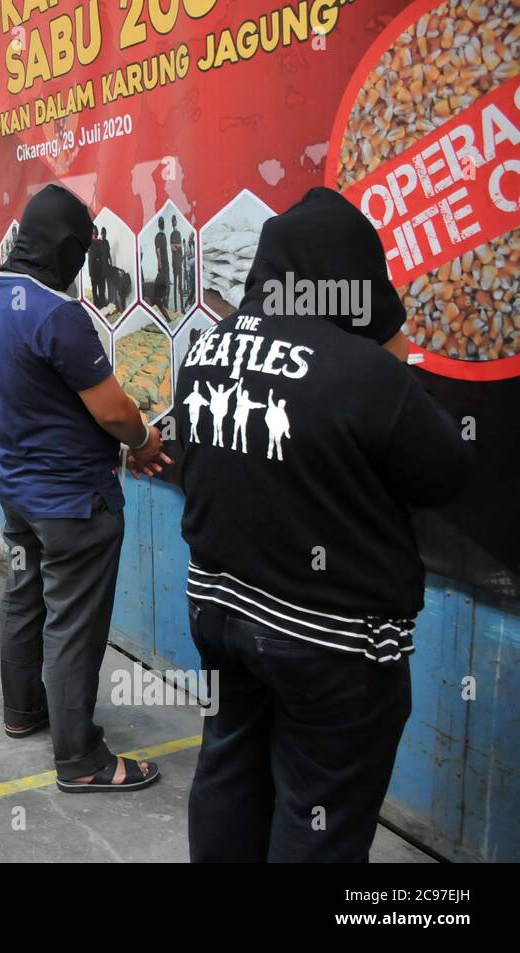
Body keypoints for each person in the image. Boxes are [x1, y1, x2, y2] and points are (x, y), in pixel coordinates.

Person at [171, 187, 473, 862]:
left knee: (228, 764)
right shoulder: (366, 373)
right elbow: (447, 470)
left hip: (218, 610)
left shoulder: (206, 349)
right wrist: (392, 347)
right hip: (331, 642)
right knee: (321, 811)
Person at [0, 184, 168, 793]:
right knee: (74, 624)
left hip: (20, 493)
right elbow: (112, 411)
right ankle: (81, 760)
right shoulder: (60, 316)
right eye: (80, 250)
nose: (83, 263)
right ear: (63, 247)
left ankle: (23, 711)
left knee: (25, 598)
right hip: (75, 503)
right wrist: (143, 441)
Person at [153, 217, 170, 313]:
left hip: (166, 263)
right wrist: (159, 263)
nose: (162, 224)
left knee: (167, 284)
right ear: (159, 225)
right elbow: (158, 250)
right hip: (162, 264)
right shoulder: (158, 236)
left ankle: (166, 305)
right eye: (160, 223)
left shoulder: (164, 235)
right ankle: (163, 306)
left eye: (163, 223)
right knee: (163, 285)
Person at [169, 216, 184, 313]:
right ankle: (175, 308)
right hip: (174, 261)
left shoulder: (178, 233)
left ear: (176, 222)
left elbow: (180, 247)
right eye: (172, 221)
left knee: (180, 285)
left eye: (174, 221)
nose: (174, 223)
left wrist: (177, 246)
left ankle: (182, 308)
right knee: (174, 285)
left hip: (179, 260)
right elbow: (172, 249)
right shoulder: (171, 235)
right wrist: (176, 246)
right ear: (172, 223)